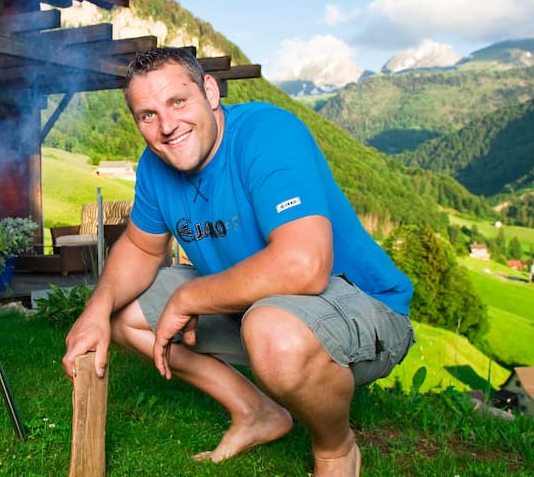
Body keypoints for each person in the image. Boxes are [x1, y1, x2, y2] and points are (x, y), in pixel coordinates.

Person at [62, 47, 414, 476]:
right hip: (254, 304)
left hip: (363, 304)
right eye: (148, 115)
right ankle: (257, 412)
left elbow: (305, 264)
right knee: (122, 313)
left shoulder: (267, 134)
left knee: (272, 332)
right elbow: (139, 248)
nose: (167, 126)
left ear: (209, 91)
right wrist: (95, 311)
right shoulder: (155, 166)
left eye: (177, 102)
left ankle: (336, 449)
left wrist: (189, 298)